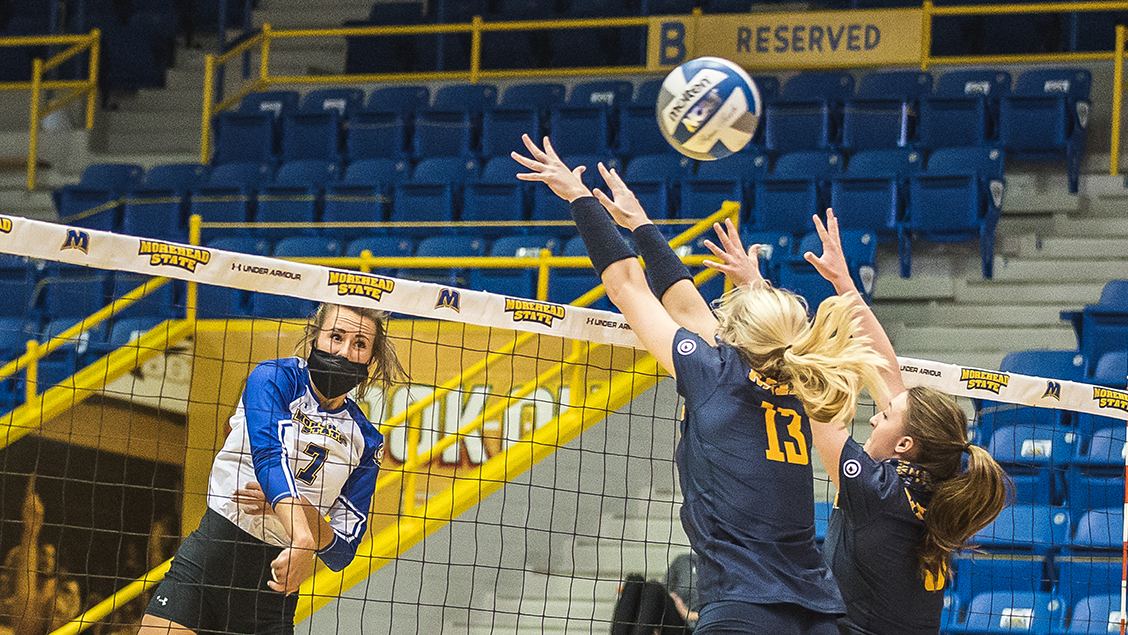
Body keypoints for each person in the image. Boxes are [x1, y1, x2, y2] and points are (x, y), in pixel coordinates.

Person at [513, 135, 887, 635]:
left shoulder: (714, 374)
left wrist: (577, 197)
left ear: (734, 337)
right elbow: (687, 305)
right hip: (818, 609)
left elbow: (627, 286)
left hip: (743, 608)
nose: (712, 317)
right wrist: (641, 224)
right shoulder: (802, 378)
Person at [706, 209, 1010, 635]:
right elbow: (886, 369)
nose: (874, 419)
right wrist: (844, 283)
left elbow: (811, 388)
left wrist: (757, 292)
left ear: (905, 444)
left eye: (884, 416)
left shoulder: (877, 492)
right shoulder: (936, 486)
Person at [138, 303, 405, 635]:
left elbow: (342, 552)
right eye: (336, 336)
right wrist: (303, 535)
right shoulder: (274, 378)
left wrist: (293, 512)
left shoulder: (366, 440)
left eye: (360, 344)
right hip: (209, 562)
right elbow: (268, 457)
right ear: (315, 336)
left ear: (371, 358)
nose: (345, 351)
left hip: (271, 593)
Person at [0, 477, 83, 635]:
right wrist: (30, 532)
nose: (47, 560)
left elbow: (27, 626)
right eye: (43, 554)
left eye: (52, 556)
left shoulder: (67, 589)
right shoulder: (16, 561)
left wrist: (31, 531)